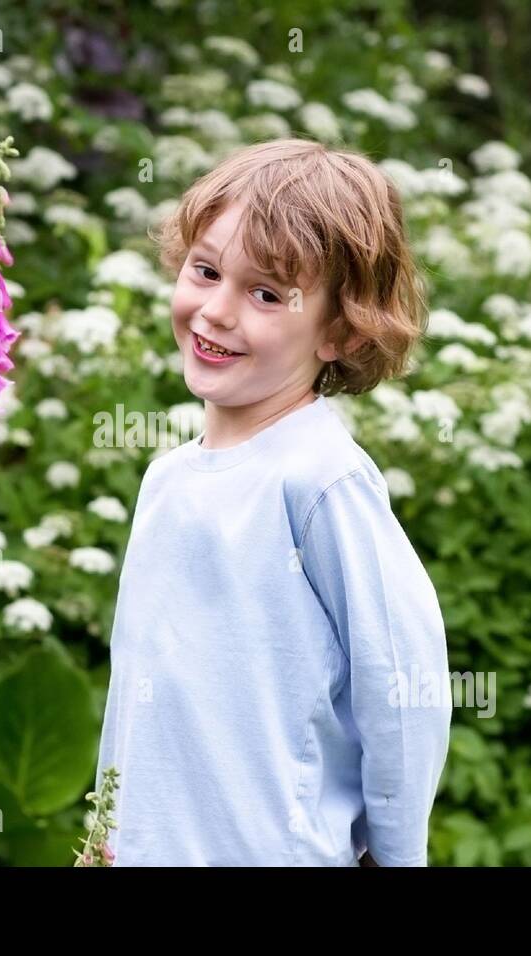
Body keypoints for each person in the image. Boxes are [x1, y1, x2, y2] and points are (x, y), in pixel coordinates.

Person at [93, 138, 452, 866]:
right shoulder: (167, 481)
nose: (216, 311)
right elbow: (139, 691)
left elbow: (404, 691)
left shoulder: (320, 481)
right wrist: (107, 835)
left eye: (265, 293)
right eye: (206, 270)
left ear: (341, 331)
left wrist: (397, 856)